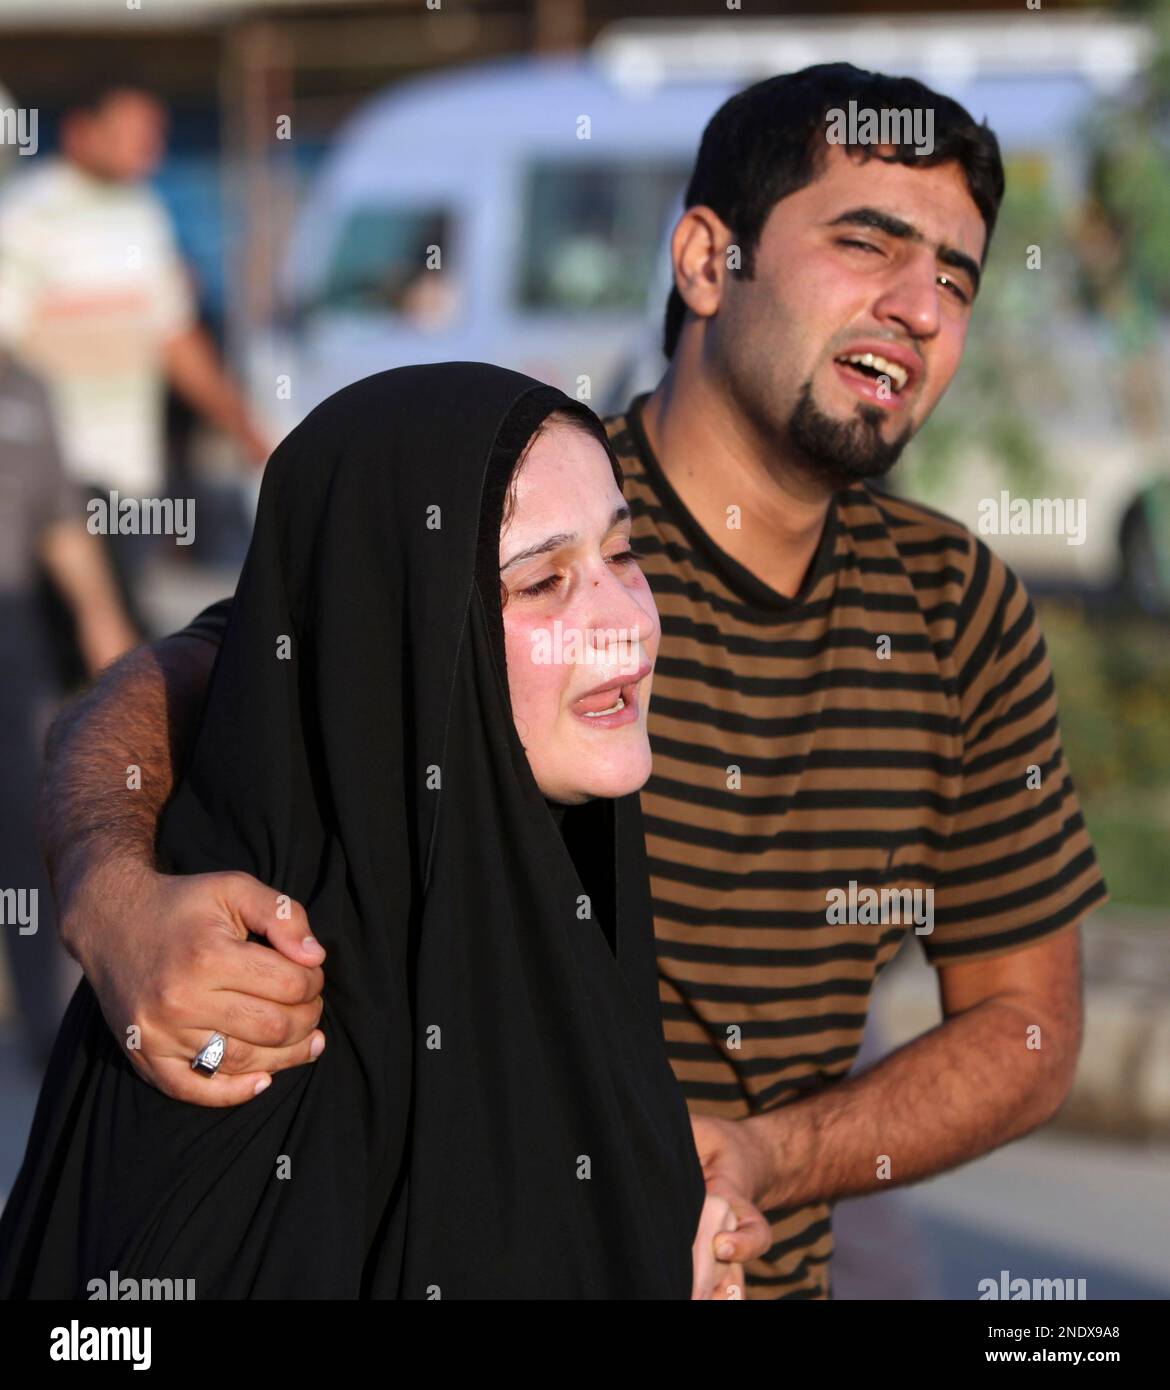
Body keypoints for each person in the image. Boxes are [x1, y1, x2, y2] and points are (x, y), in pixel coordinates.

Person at [31, 65, 1107, 1300]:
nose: (918, 305)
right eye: (869, 244)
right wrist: (111, 896)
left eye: (958, 278)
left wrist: (767, 1157)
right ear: (706, 260)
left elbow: (1028, 1026)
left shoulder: (954, 607)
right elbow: (190, 685)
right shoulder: (531, 496)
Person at [0, 361, 739, 1299]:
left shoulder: (561, 930)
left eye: (624, 555)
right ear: (402, 632)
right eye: (544, 582)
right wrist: (103, 887)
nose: (625, 621)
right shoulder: (245, 1017)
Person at [0, 81, 270, 645]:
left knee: (110, 638)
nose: (148, 148)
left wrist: (246, 429)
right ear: (81, 132)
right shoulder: (27, 215)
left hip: (130, 477)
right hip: (55, 483)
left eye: (153, 134)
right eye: (130, 133)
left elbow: (175, 340)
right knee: (86, 642)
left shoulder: (142, 214)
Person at [0, 348, 137, 1066]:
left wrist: (102, 618)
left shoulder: (24, 387)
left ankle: (51, 1038)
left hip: (15, 657)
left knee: (36, 836)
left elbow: (59, 520)